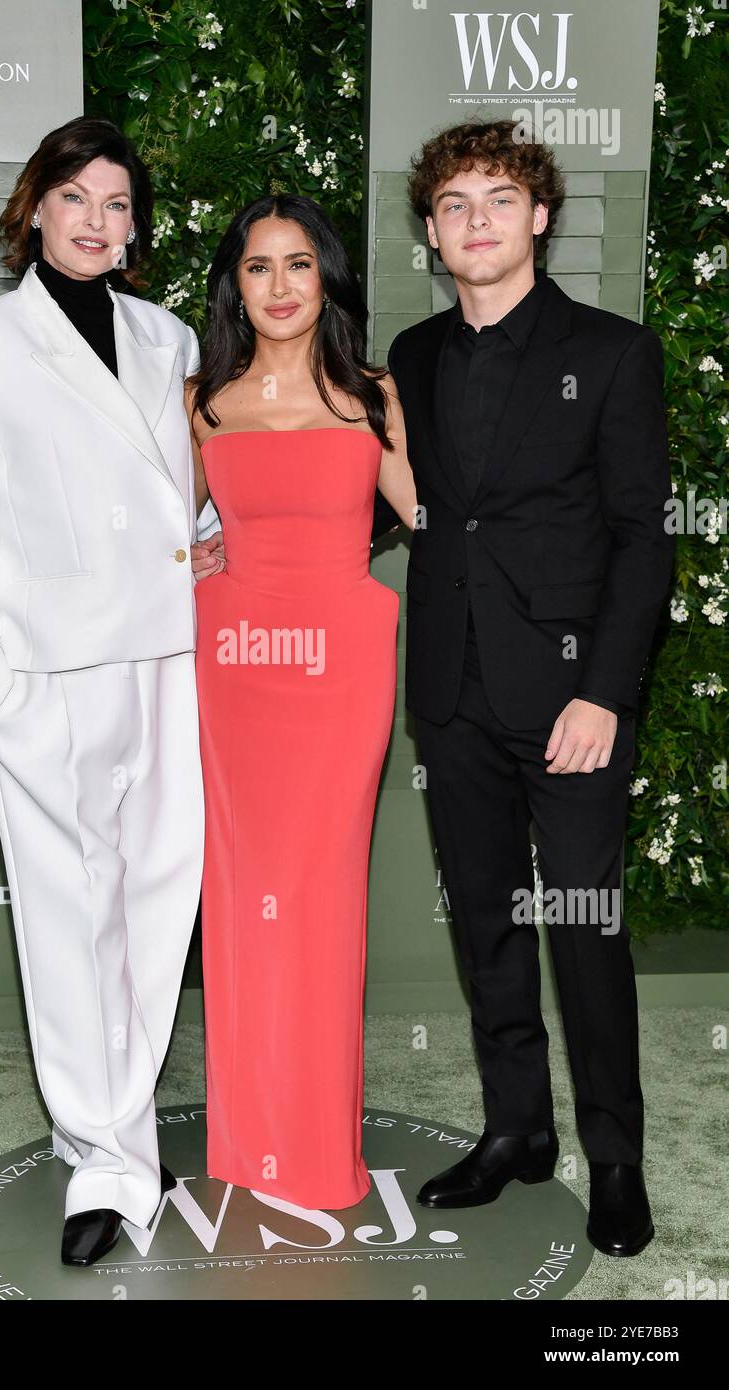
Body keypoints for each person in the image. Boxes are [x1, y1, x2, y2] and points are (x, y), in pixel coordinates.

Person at [0, 116, 215, 1267]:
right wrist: (6, 695)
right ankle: (99, 1159)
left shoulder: (170, 334)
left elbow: (199, 503)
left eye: (118, 203)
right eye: (76, 197)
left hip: (170, 669)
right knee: (66, 928)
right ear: (35, 207)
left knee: (151, 914)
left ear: (136, 225)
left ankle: (125, 1136)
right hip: (51, 681)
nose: (97, 220)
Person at [370, 120, 675, 1257]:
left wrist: (602, 693)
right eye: (454, 205)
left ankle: (616, 1157)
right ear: (434, 232)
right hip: (449, 688)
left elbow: (640, 541)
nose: (477, 220)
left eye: (498, 198)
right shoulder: (410, 355)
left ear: (538, 215)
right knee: (488, 925)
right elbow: (391, 503)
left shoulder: (610, 351)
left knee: (583, 931)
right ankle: (516, 1132)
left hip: (568, 700)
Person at [187, 195, 418, 1210]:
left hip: (340, 667)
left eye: (297, 265)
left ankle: (316, 1142)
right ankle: (248, 1139)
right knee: (241, 896)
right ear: (234, 285)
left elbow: (435, 516)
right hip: (230, 659)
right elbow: (149, 518)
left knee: (320, 897)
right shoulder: (197, 398)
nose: (279, 287)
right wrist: (192, 548)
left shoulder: (374, 393)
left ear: (325, 279)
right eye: (256, 268)